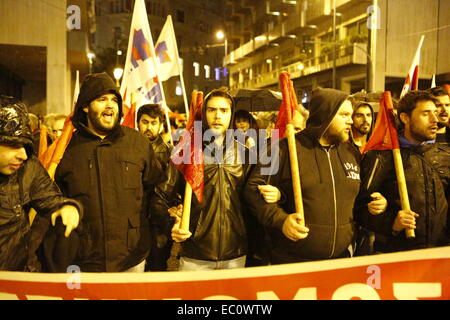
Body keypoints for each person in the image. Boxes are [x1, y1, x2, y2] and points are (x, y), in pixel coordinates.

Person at [54, 72, 165, 272]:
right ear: (86, 106)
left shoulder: (137, 142)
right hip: (85, 261)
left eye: (114, 100)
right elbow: (55, 197)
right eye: (102, 99)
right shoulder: (67, 149)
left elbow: (156, 190)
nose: (110, 105)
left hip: (132, 258)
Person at [244, 88, 361, 264]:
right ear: (325, 115)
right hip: (292, 260)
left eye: (351, 115)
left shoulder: (351, 152)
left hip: (341, 260)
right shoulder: (282, 149)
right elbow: (253, 190)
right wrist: (280, 220)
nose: (351, 121)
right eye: (344, 115)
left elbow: (360, 200)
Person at [150, 88, 254, 270]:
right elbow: (160, 196)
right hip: (195, 254)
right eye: (212, 110)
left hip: (236, 254)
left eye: (224, 110)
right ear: (204, 113)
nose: (217, 116)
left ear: (231, 114)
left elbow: (253, 200)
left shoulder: (245, 154)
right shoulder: (186, 152)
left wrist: (276, 195)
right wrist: (171, 225)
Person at [355, 90, 450, 253]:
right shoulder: (381, 157)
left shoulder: (444, 155)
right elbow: (360, 208)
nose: (435, 119)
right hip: (396, 254)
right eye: (426, 114)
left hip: (440, 255)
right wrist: (391, 222)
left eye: (435, 113)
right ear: (405, 118)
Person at [0, 96, 80, 271]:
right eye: (13, 145)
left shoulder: (28, 167)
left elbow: (50, 198)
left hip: (15, 279)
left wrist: (66, 207)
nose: (22, 155)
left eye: (26, 146)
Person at [137, 104, 176, 271]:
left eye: (153, 123)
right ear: (138, 122)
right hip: (136, 215)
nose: (149, 127)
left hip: (159, 219)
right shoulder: (130, 149)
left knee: (157, 264)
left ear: (161, 125)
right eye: (145, 122)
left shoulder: (170, 153)